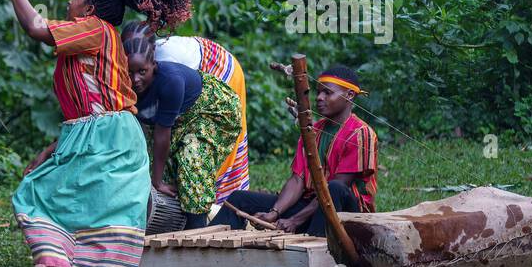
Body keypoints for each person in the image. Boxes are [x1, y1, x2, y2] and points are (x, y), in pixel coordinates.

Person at [0, 0, 188, 267]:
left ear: (88, 11)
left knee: (84, 216)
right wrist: (55, 147)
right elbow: (88, 103)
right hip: (87, 135)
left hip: (111, 139)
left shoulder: (97, 30)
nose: (69, 2)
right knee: (54, 205)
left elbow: (36, 28)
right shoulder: (89, 36)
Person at [213, 64, 379, 235]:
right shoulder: (312, 131)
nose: (319, 98)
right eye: (319, 92)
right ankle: (206, 249)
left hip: (346, 215)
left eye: (327, 93)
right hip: (311, 207)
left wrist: (295, 220)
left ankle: (314, 249)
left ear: (350, 95)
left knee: (334, 188)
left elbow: (336, 189)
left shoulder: (361, 133)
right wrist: (274, 213)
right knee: (240, 199)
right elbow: (297, 180)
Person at [123, 24, 244, 228]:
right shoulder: (121, 81)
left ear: (154, 65)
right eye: (130, 73)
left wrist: (157, 181)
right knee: (162, 170)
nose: (135, 80)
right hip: (179, 118)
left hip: (213, 110)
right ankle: (170, 226)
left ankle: (197, 230)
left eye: (142, 72)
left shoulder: (170, 81)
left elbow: (162, 135)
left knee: (192, 158)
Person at [151, 30, 250, 204]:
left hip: (220, 72)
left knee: (205, 154)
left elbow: (164, 128)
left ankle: (222, 204)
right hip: (195, 79)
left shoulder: (166, 67)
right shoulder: (140, 64)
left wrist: (157, 180)